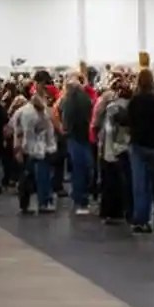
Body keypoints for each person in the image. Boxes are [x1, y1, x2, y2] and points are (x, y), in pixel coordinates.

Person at [126, 69, 154, 234]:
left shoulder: (134, 102)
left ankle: (141, 220)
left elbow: (128, 122)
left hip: (138, 147)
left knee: (140, 185)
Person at [11, 92, 58, 214]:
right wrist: (51, 148)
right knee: (43, 177)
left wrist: (18, 149)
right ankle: (44, 202)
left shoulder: (21, 112)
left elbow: (17, 131)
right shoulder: (42, 114)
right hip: (40, 150)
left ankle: (24, 205)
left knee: (25, 177)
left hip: (27, 149)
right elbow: (47, 133)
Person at [96, 79, 133, 225]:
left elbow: (104, 128)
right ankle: (121, 210)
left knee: (109, 183)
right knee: (122, 182)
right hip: (122, 149)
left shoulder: (110, 107)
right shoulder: (128, 106)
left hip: (110, 149)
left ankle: (109, 211)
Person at [59, 74, 95, 215]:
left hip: (74, 137)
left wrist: (65, 130)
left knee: (78, 169)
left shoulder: (68, 100)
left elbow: (65, 118)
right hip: (85, 137)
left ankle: (79, 198)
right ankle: (82, 197)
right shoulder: (85, 99)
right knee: (84, 168)